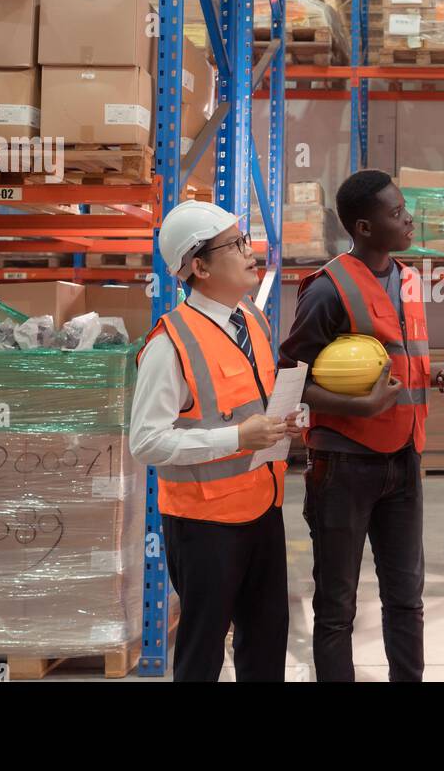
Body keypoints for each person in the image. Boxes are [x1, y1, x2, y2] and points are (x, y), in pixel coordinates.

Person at [279, 169, 444, 682]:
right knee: (337, 608)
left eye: (405, 207)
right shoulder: (328, 290)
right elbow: (288, 381)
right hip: (343, 466)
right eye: (395, 213)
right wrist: (359, 409)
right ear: (364, 228)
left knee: (407, 600)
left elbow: (394, 364)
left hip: (404, 462)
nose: (408, 218)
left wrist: (438, 377)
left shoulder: (408, 278)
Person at [129, 199, 298, 682]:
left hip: (263, 507)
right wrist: (237, 436)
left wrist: (281, 423)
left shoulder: (253, 322)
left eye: (246, 240)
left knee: (266, 641)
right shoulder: (170, 344)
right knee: (202, 651)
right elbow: (146, 442)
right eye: (236, 245)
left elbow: (250, 408)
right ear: (199, 266)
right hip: (204, 524)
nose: (250, 251)